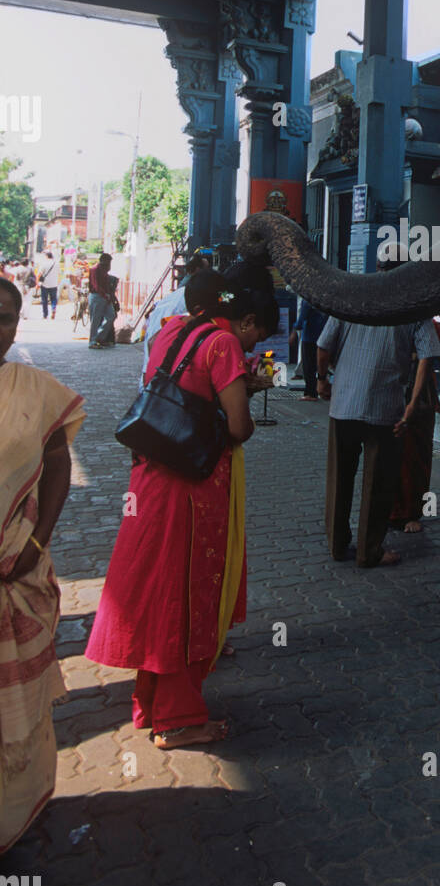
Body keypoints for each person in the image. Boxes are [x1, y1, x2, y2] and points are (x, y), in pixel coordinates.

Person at [85, 273, 276, 749]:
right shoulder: (224, 345)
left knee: (157, 588)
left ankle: (149, 703)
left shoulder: (171, 329)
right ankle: (179, 718)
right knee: (187, 595)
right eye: (254, 329)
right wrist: (247, 394)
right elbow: (238, 428)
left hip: (150, 474)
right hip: (191, 489)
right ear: (240, 317)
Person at [0, 275, 85, 852]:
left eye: (5, 316)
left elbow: (58, 461)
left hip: (15, 574)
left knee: (17, 709)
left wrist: (34, 544)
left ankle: (13, 810)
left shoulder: (37, 389)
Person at [316, 249, 439, 568]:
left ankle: (336, 544)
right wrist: (412, 403)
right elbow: (428, 357)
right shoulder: (414, 306)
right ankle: (369, 550)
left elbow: (323, 346)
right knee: (379, 482)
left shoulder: (353, 298)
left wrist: (322, 380)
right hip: (386, 410)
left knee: (339, 477)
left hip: (345, 403)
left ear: (379, 268)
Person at [389, 318, 440, 533]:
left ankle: (412, 512)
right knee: (389, 458)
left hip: (419, 402)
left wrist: (422, 354)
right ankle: (392, 510)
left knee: (416, 459)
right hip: (389, 396)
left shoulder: (424, 322)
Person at [139, 253, 210, 386]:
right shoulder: (187, 294)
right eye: (206, 269)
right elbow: (152, 343)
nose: (208, 272)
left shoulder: (185, 291)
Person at [289, 297, 329, 400]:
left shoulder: (308, 299)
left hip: (310, 336)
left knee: (309, 366)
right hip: (324, 335)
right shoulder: (326, 298)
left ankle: (310, 393)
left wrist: (294, 331)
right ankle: (322, 388)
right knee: (321, 364)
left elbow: (302, 318)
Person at [87, 252, 117, 349]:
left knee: (111, 316)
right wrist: (105, 295)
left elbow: (107, 285)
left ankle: (100, 338)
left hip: (105, 297)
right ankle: (92, 341)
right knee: (95, 319)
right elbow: (96, 286)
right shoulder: (95, 270)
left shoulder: (105, 271)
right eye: (108, 263)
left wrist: (109, 296)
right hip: (96, 296)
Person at [38, 248, 59, 320]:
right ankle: (53, 308)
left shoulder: (44, 263)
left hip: (45, 284)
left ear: (46, 256)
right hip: (54, 284)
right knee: (53, 299)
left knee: (44, 300)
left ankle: (45, 315)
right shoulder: (56, 264)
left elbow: (39, 274)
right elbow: (59, 274)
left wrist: (37, 283)